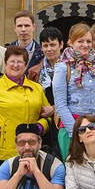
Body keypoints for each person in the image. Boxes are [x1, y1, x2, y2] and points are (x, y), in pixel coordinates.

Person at [0, 45, 51, 176]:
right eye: (12, 61)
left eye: (19, 62)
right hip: (1, 154)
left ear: (26, 65)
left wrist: (39, 127)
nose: (15, 65)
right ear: (5, 64)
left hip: (30, 151)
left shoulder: (37, 89)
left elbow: (48, 115)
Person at [53, 23, 95, 156]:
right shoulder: (63, 67)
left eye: (88, 41)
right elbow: (61, 105)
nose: (85, 45)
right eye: (80, 41)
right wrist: (76, 133)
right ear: (70, 42)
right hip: (72, 128)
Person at [38, 26, 64, 156]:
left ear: (61, 44)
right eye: (45, 45)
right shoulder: (36, 71)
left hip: (64, 122)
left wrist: (53, 109)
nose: (49, 49)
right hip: (45, 124)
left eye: (53, 44)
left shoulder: (69, 69)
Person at [11, 10, 45, 81]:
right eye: (20, 26)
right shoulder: (7, 52)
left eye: (27, 25)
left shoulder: (43, 53)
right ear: (15, 28)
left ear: (33, 27)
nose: (23, 29)